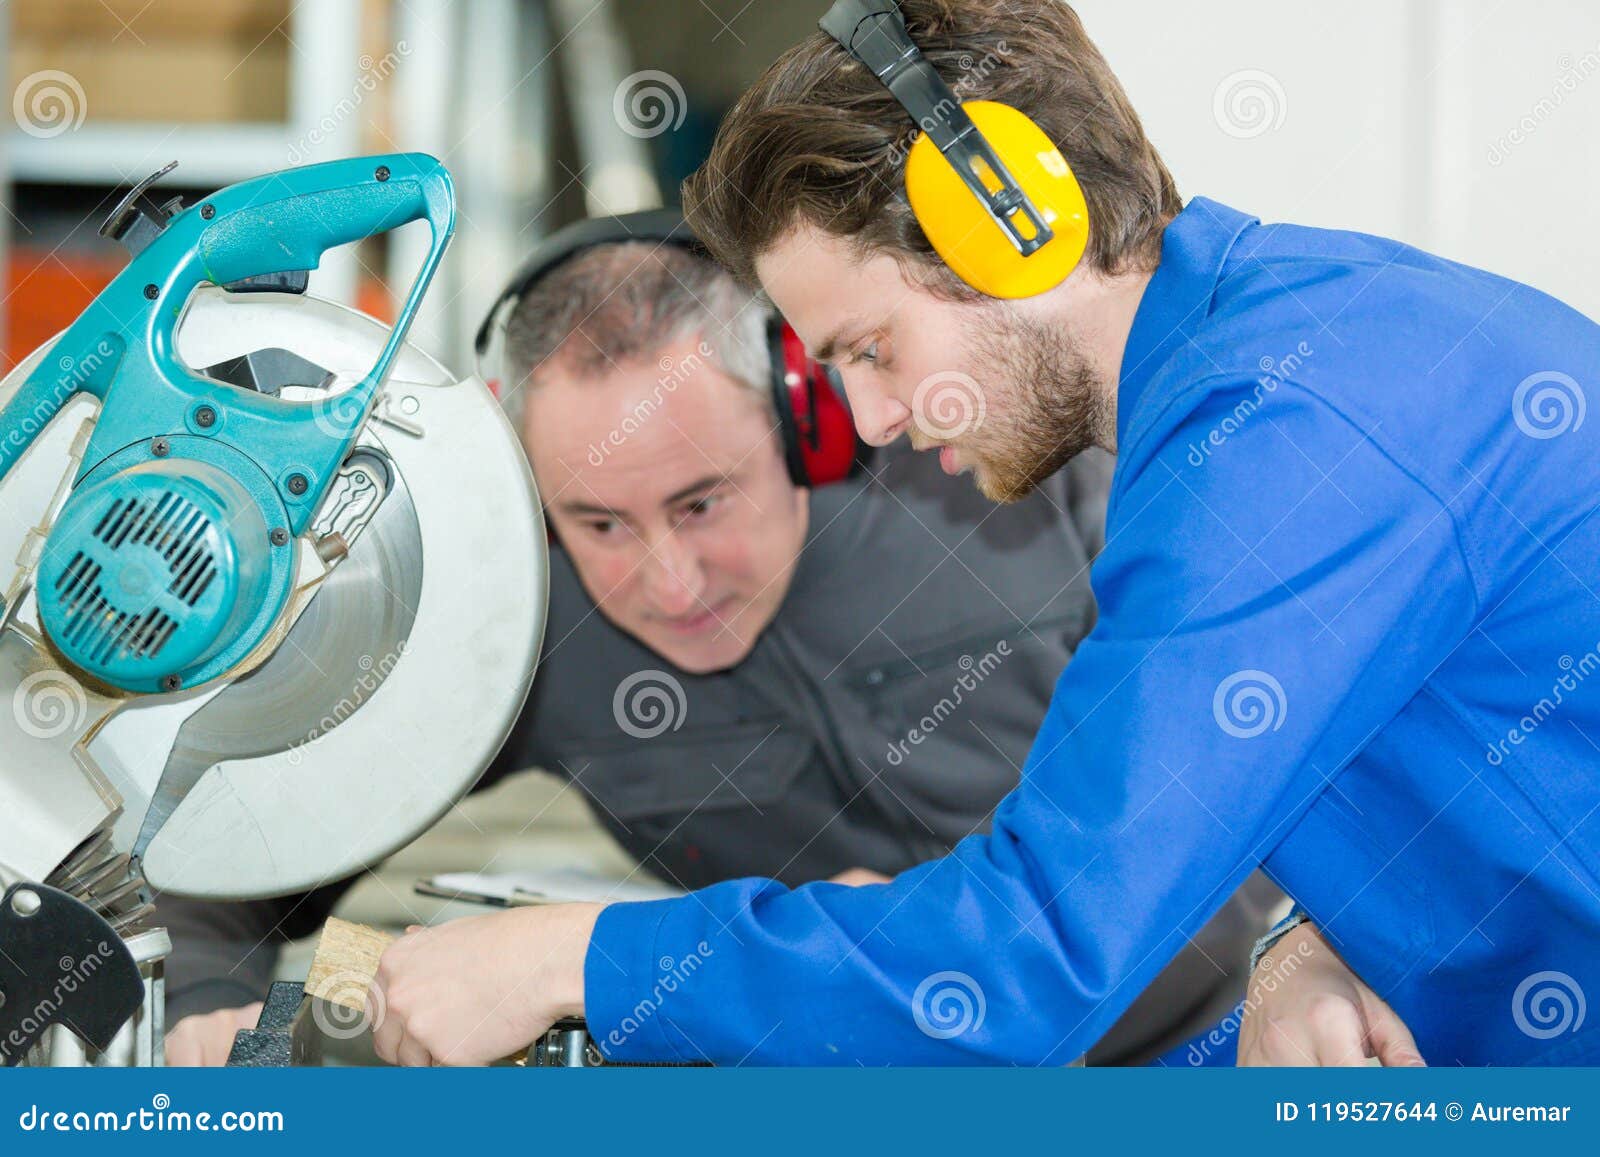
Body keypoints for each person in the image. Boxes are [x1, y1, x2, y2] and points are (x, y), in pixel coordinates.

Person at [366, 0, 1600, 1068]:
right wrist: (1310, 937)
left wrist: (573, 956)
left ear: (1015, 223)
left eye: (868, 348)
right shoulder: (1278, 360)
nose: (869, 420)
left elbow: (1026, 963)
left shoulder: (1286, 438)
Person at [159, 212, 1278, 1066]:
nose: (669, 580)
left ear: (808, 410)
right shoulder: (521, 620)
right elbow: (267, 812)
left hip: (1194, 1049)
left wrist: (1313, 948)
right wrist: (212, 991)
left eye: (702, 501)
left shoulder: (1016, 479)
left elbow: (1274, 758)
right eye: (598, 522)